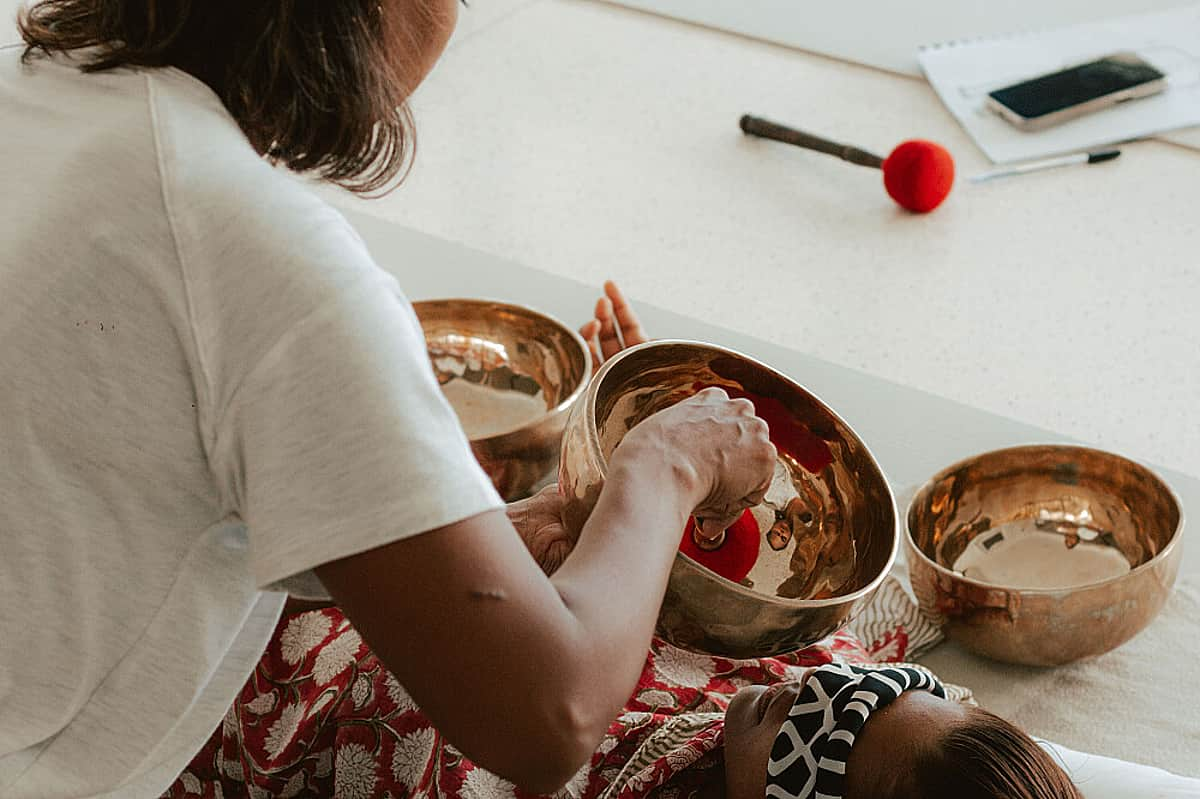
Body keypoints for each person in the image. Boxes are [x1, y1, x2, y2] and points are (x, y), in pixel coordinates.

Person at [0, 2, 779, 797]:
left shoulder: (31, 81)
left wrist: (465, 537)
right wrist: (667, 461)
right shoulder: (259, 253)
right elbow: (551, 715)